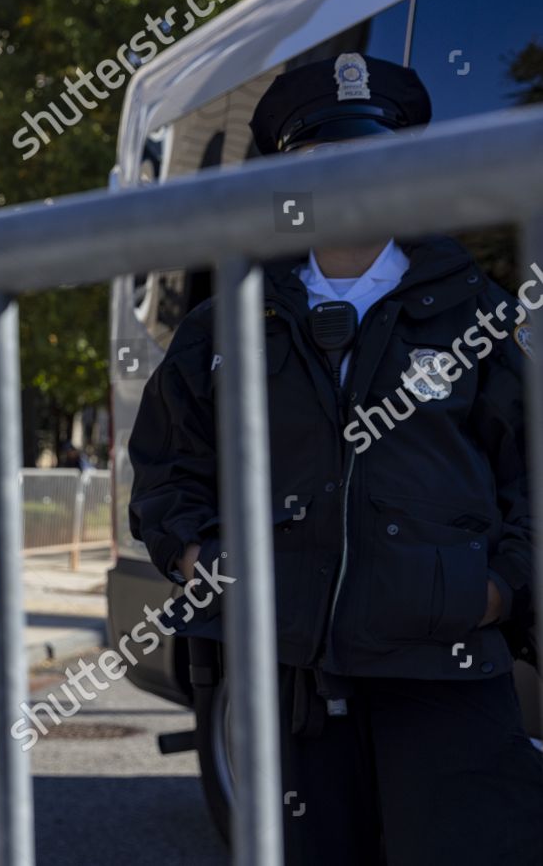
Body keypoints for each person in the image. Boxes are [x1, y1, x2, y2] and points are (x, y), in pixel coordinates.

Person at [128, 54, 542, 865]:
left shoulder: (482, 313)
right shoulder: (230, 319)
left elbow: (532, 476)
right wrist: (200, 556)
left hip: (446, 679)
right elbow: (167, 468)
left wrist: (496, 592)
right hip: (286, 686)